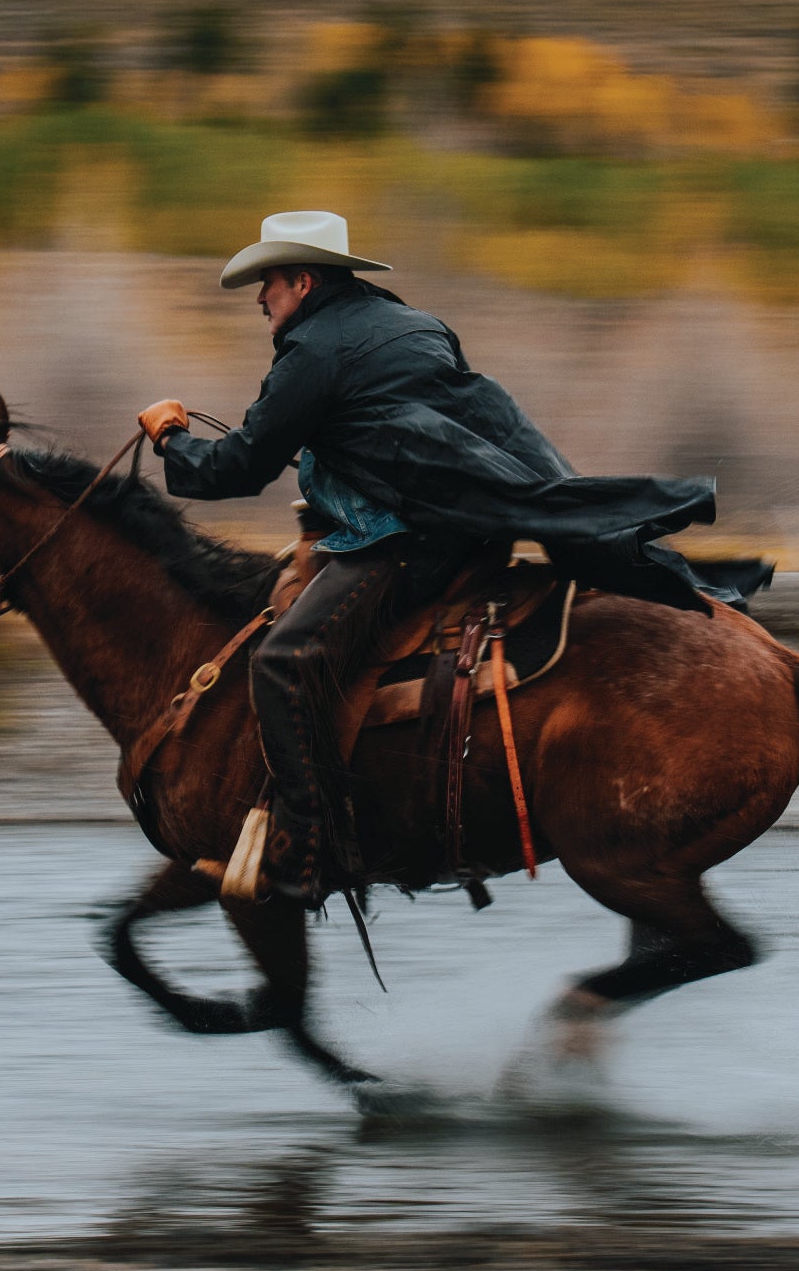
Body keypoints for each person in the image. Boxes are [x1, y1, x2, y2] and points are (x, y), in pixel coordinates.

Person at [138, 210, 766, 905]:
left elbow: (239, 466)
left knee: (285, 664)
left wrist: (170, 439)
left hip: (406, 542)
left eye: (269, 285)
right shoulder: (415, 325)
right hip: (473, 526)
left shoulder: (312, 351)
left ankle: (306, 847)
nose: (261, 299)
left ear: (304, 280)